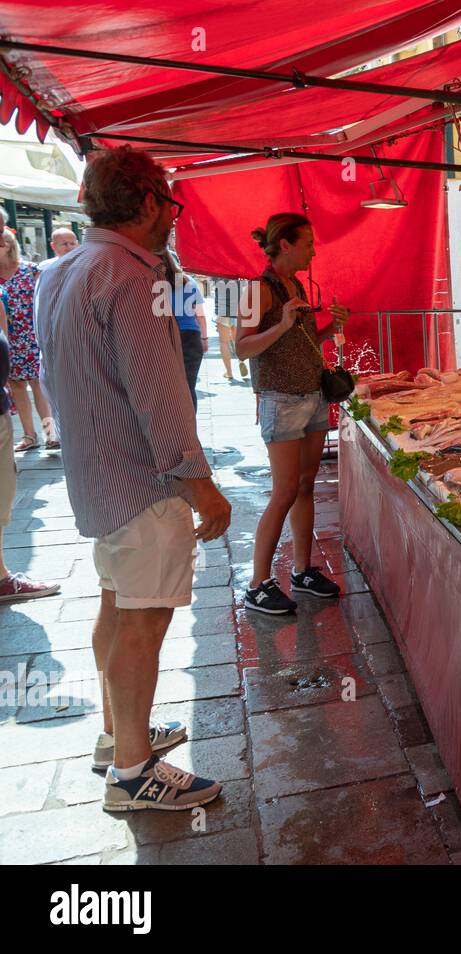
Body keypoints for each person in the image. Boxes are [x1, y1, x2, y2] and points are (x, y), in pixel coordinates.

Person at [35, 145, 231, 812]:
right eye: (170, 203)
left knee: (117, 604)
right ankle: (132, 773)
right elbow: (159, 394)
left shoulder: (60, 270)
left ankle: (118, 734)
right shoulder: (131, 274)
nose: (172, 217)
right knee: (142, 623)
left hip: (95, 478)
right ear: (148, 203)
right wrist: (198, 480)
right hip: (143, 483)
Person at [236, 212, 349, 615]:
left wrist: (325, 328)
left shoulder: (294, 283)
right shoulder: (256, 290)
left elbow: (298, 342)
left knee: (305, 486)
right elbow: (242, 348)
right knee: (284, 491)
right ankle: (257, 584)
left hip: (312, 396)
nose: (313, 251)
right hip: (281, 401)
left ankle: (302, 570)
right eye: (308, 244)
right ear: (284, 244)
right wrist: (284, 324)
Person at [0, 299, 59, 602]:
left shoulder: (21, 277)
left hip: (26, 352)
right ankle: (37, 434)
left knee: (38, 388)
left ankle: (49, 435)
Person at [0, 231, 58, 451]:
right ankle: (29, 436)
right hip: (8, 338)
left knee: (38, 384)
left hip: (32, 335)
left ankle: (50, 433)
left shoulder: (30, 269)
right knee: (16, 387)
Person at [161, 248, 208, 407]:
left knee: (168, 390)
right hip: (191, 337)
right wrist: (204, 338)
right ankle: (190, 428)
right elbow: (199, 314)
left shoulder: (155, 283)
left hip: (167, 338)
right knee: (189, 387)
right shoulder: (189, 281)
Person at [215, 279, 247, 381]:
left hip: (223, 313)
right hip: (237, 313)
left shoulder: (218, 278)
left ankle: (229, 372)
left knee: (224, 343)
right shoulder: (237, 277)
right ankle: (241, 361)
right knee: (236, 341)